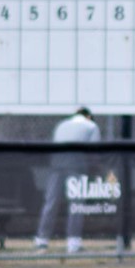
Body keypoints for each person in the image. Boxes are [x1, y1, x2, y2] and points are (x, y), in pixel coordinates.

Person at [34, 106, 101, 254]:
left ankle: (41, 241)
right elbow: (94, 150)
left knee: (51, 202)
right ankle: (73, 244)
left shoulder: (62, 125)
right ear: (88, 116)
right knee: (76, 204)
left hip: (56, 165)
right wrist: (95, 170)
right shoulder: (91, 126)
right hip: (77, 167)